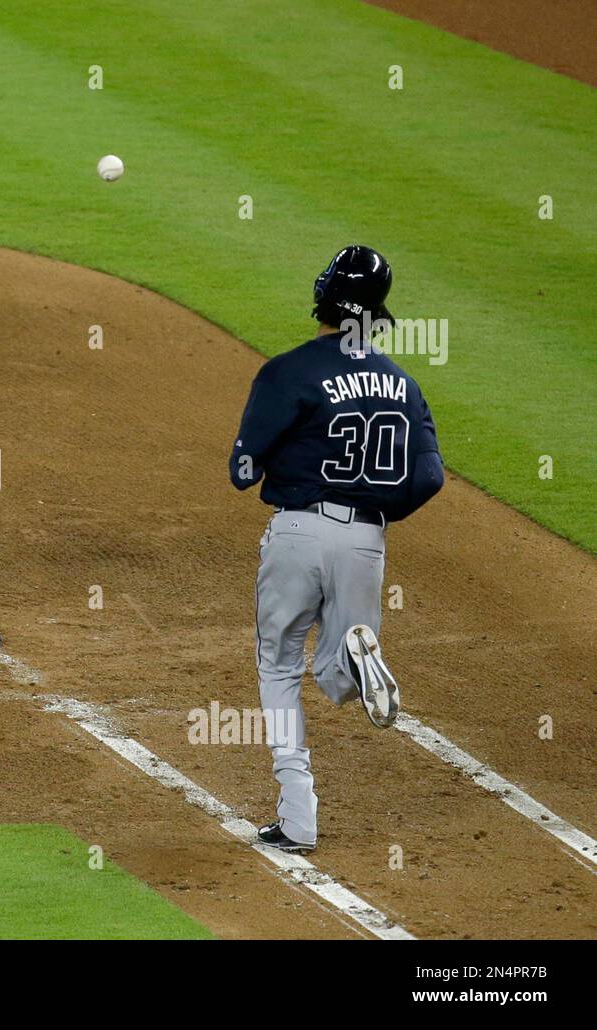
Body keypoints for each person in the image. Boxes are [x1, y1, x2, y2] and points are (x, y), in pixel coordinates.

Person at [229, 245, 444, 852]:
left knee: (278, 665)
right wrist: (375, 512)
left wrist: (270, 455)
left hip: (298, 531)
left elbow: (243, 470)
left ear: (321, 299)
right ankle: (355, 657)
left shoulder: (288, 371)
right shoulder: (403, 383)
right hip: (366, 541)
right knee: (338, 681)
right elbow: (428, 476)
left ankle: (298, 819)